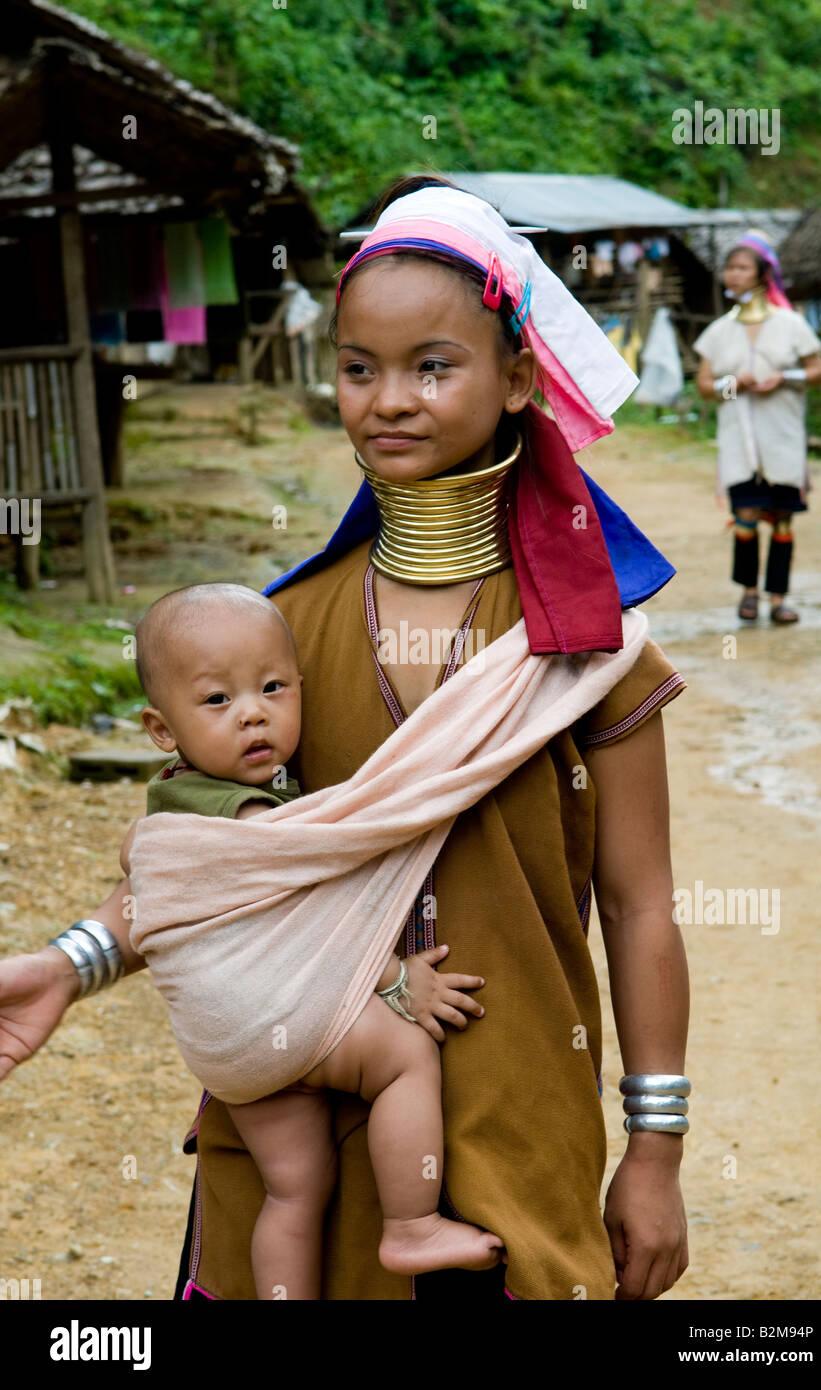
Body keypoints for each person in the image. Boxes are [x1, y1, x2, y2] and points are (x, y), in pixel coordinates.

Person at [0, 175, 691, 1302]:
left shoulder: (585, 642)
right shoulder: (278, 639)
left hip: (519, 1107)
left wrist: (654, 1148)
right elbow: (215, 859)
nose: (390, 399)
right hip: (308, 1120)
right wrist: (68, 966)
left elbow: (639, 901)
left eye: (432, 364)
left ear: (520, 378)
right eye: (359, 367)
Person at [119, 580, 504, 1298]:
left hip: (227, 1056)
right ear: (161, 730)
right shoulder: (256, 816)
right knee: (403, 1058)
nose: (253, 714)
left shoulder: (170, 801)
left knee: (294, 1192)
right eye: (217, 701)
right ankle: (411, 1225)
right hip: (274, 1014)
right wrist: (392, 979)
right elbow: (325, 908)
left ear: (302, 687)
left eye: (272, 688)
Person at [693, 230, 821, 624]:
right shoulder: (719, 332)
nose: (733, 275)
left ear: (762, 274)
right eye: (729, 267)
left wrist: (784, 378)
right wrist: (735, 384)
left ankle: (778, 599)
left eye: (742, 267)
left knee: (783, 518)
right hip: (740, 440)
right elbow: (704, 386)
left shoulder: (791, 324)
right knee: (747, 513)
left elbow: (818, 372)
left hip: (781, 437)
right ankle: (749, 594)